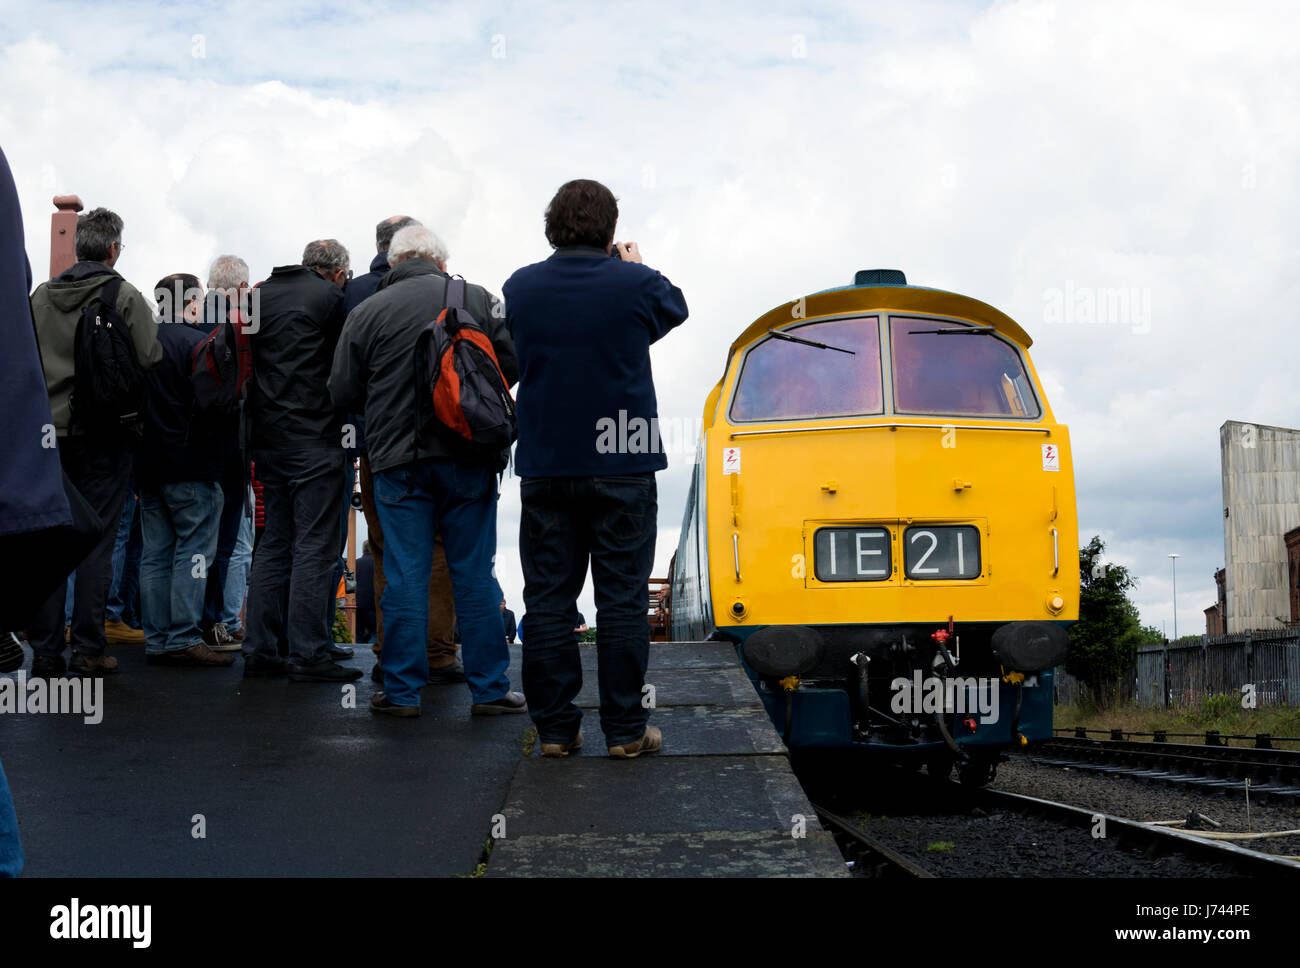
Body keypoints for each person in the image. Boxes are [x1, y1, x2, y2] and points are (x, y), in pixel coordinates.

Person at [504, 178, 687, 758]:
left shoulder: (520, 287)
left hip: (547, 462)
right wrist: (635, 265)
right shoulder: (637, 284)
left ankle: (556, 731)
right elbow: (673, 309)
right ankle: (626, 731)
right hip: (624, 460)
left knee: (548, 600)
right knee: (623, 599)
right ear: (609, 229)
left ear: (551, 226)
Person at [329, 224, 520, 717]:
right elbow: (511, 365)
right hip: (470, 456)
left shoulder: (367, 310)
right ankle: (490, 690)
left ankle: (401, 693)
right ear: (441, 261)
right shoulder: (477, 298)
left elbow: (342, 389)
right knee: (474, 574)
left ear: (393, 263)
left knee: (404, 574)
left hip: (398, 461)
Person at [27, 206, 163, 676]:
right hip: (104, 435)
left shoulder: (41, 296)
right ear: (112, 249)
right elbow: (151, 355)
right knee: (98, 542)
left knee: (50, 542)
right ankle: (88, 649)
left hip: (47, 437)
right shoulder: (122, 294)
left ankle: (46, 652)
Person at [346, 218, 462, 687]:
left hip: (382, 445)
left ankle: (391, 654)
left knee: (385, 549)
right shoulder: (459, 293)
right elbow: (503, 363)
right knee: (441, 548)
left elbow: (342, 382)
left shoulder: (356, 297)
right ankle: (439, 653)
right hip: (452, 443)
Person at [242, 240, 360, 682]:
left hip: (268, 439)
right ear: (338, 273)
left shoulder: (259, 295)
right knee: (315, 545)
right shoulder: (330, 298)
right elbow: (347, 365)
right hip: (316, 437)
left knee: (275, 541)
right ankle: (308, 654)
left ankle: (260, 649)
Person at [137, 273, 231, 667]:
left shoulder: (141, 344)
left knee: (155, 554)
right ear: (192, 302)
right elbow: (216, 405)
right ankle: (183, 637)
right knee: (193, 552)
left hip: (148, 464)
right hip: (192, 463)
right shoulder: (198, 344)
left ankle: (158, 640)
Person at [198, 255, 253, 650]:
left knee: (187, 545)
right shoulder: (243, 324)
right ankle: (216, 621)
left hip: (191, 449)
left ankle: (181, 625)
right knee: (225, 543)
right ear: (242, 287)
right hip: (232, 446)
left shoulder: (189, 318)